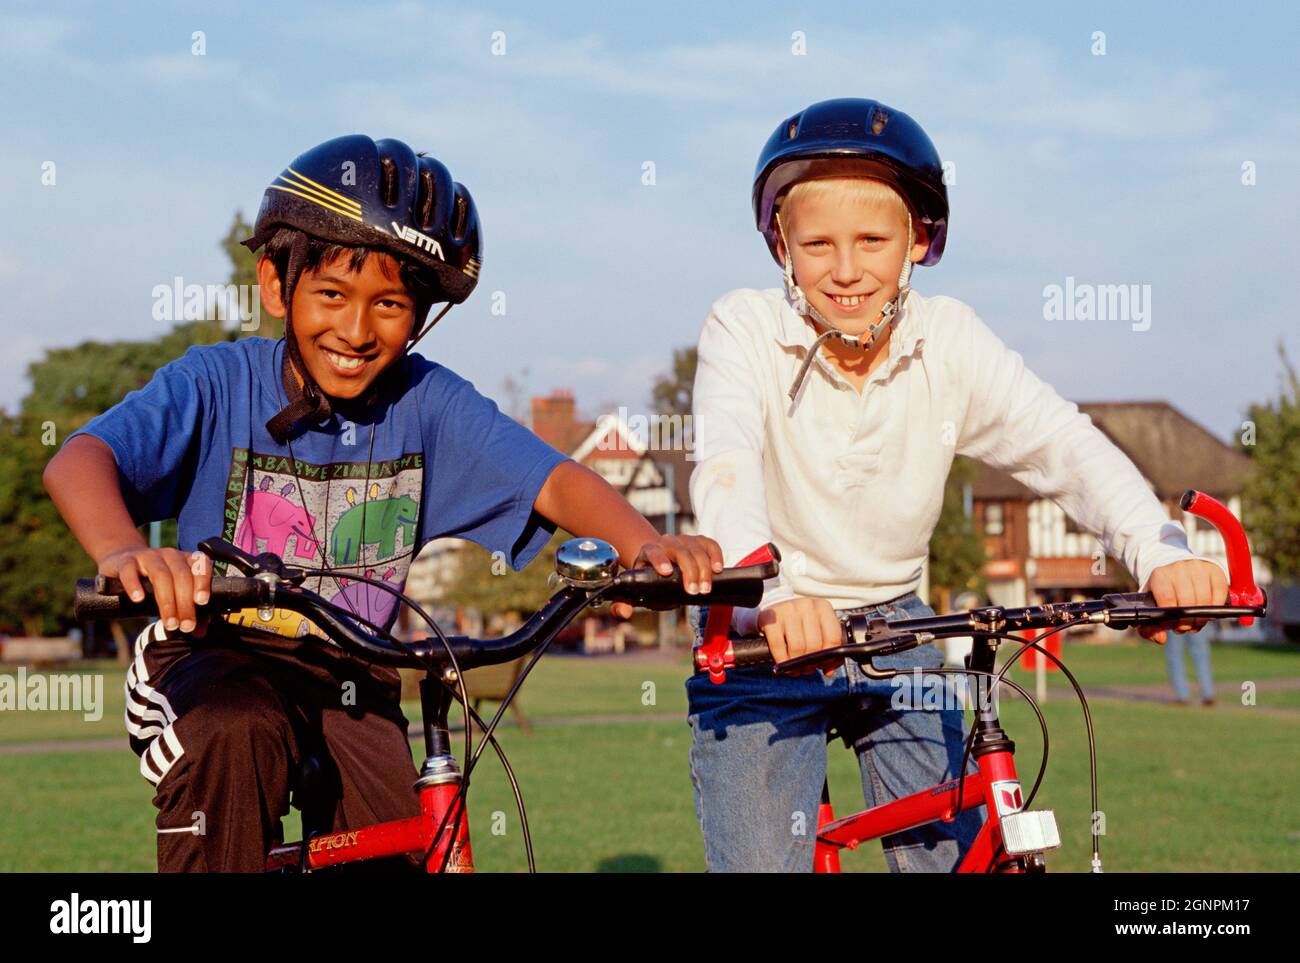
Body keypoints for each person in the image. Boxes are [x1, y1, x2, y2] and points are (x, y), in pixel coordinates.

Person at [43, 135, 723, 872]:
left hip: (352, 672)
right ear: (275, 283)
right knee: (233, 737)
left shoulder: (426, 404)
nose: (357, 330)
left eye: (389, 304)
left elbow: (553, 477)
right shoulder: (217, 380)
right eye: (332, 293)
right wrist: (122, 549)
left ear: (421, 316)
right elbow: (82, 457)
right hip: (212, 653)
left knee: (405, 824)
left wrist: (640, 543)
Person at [687, 98, 1227, 872]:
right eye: (818, 243)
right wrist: (766, 594)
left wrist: (1158, 550)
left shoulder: (948, 340)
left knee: (956, 849)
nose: (846, 269)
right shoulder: (742, 327)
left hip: (897, 630)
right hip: (762, 638)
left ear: (919, 240)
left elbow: (1063, 444)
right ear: (782, 245)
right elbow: (727, 463)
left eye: (873, 239)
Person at [1165, 621, 1216, 705]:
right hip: (1195, 614)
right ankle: (1208, 693)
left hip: (1174, 617)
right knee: (1201, 655)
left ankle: (1182, 696)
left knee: (1175, 656)